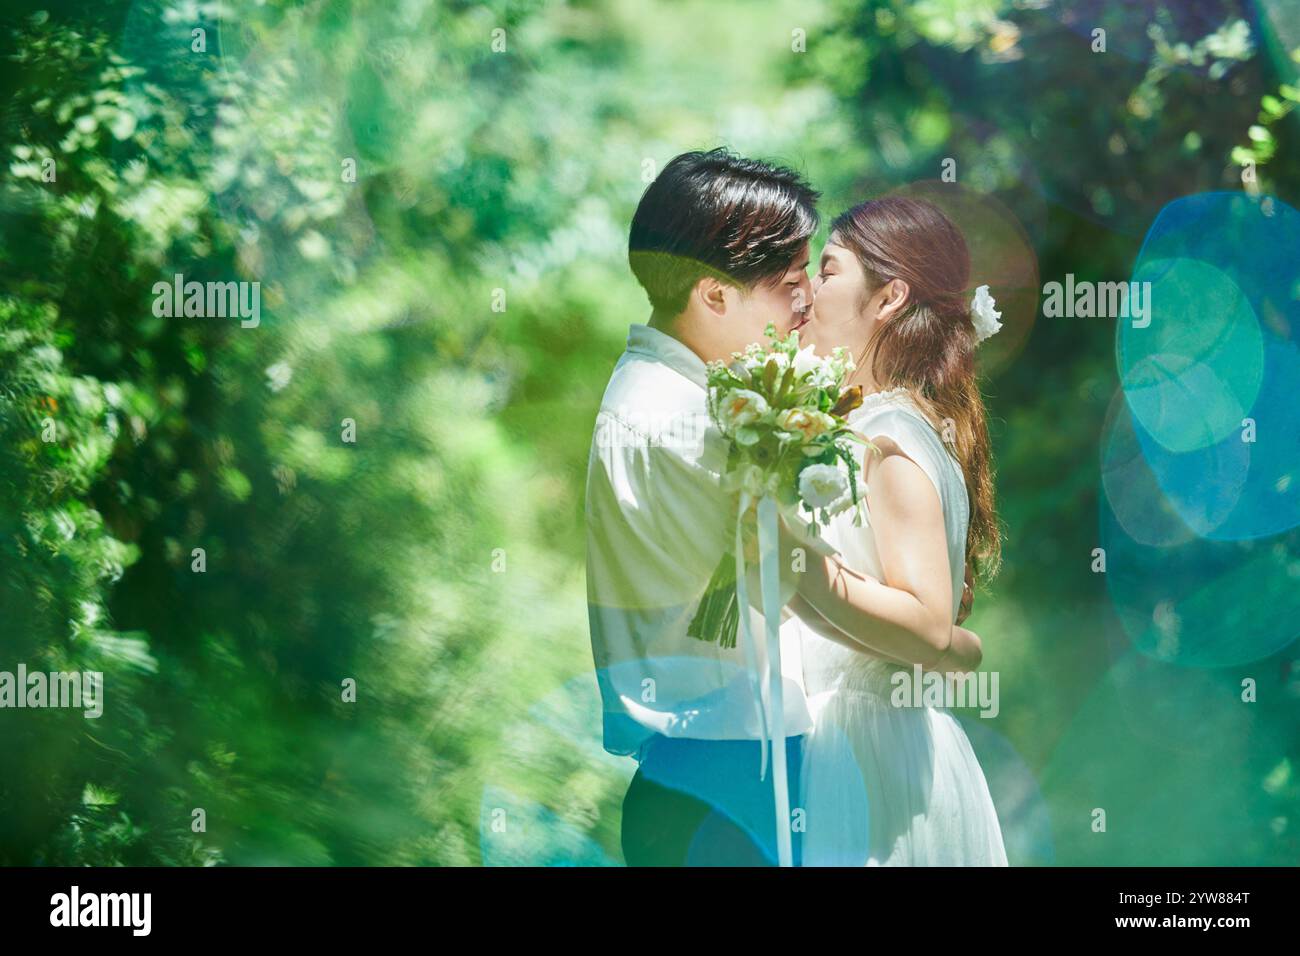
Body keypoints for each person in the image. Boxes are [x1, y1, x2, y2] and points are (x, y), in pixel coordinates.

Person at [787, 196, 1009, 865]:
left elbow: (927, 620)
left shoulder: (888, 434)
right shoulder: (877, 423)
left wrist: (793, 564)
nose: (806, 290)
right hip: (867, 742)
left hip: (867, 755)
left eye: (827, 270)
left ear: (889, 298)